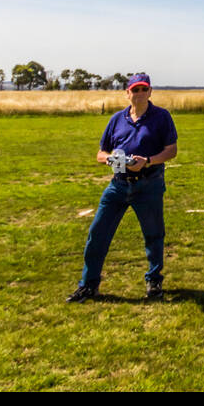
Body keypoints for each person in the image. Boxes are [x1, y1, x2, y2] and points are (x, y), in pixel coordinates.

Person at [67, 73, 178, 302]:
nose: (139, 94)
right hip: (118, 185)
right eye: (134, 90)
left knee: (153, 235)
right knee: (97, 234)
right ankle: (88, 285)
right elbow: (100, 153)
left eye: (143, 89)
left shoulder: (161, 117)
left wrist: (147, 161)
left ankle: (154, 283)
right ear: (127, 93)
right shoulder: (117, 119)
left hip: (149, 184)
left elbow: (171, 150)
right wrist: (109, 159)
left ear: (150, 92)